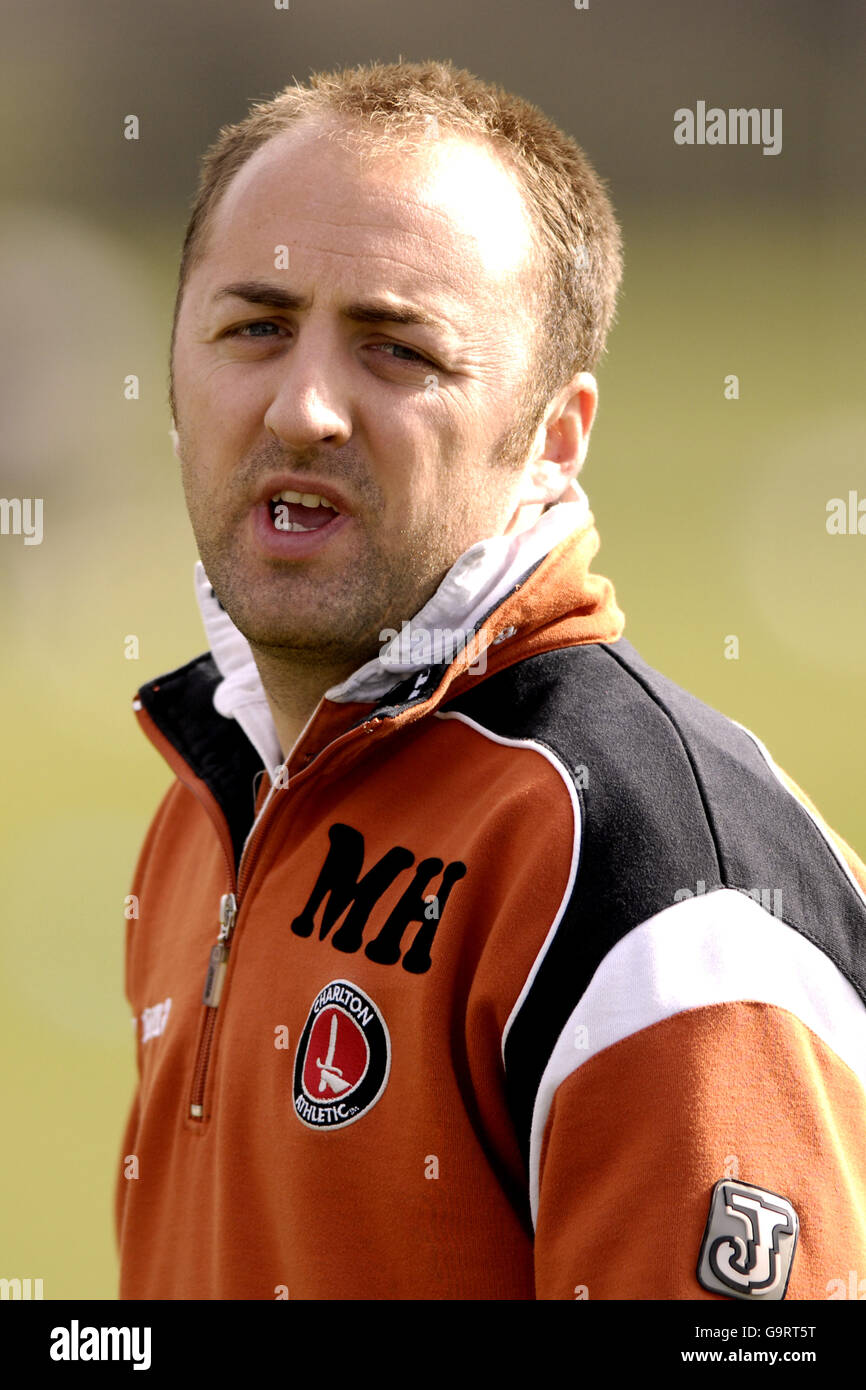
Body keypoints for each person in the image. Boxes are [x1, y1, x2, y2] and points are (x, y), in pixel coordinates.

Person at [116, 59, 866, 1301]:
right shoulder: (217, 788)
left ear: (551, 441)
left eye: (397, 349)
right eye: (254, 327)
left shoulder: (666, 886)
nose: (302, 406)